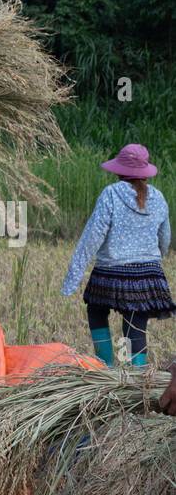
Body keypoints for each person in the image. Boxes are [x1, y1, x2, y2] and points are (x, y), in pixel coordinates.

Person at [61, 143, 172, 367]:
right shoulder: (158, 197)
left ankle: (107, 366)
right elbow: (165, 237)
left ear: (119, 170)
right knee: (135, 323)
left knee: (96, 309)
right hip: (148, 275)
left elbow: (93, 236)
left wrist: (73, 277)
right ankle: (137, 377)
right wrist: (156, 256)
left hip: (112, 272)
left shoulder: (111, 194)